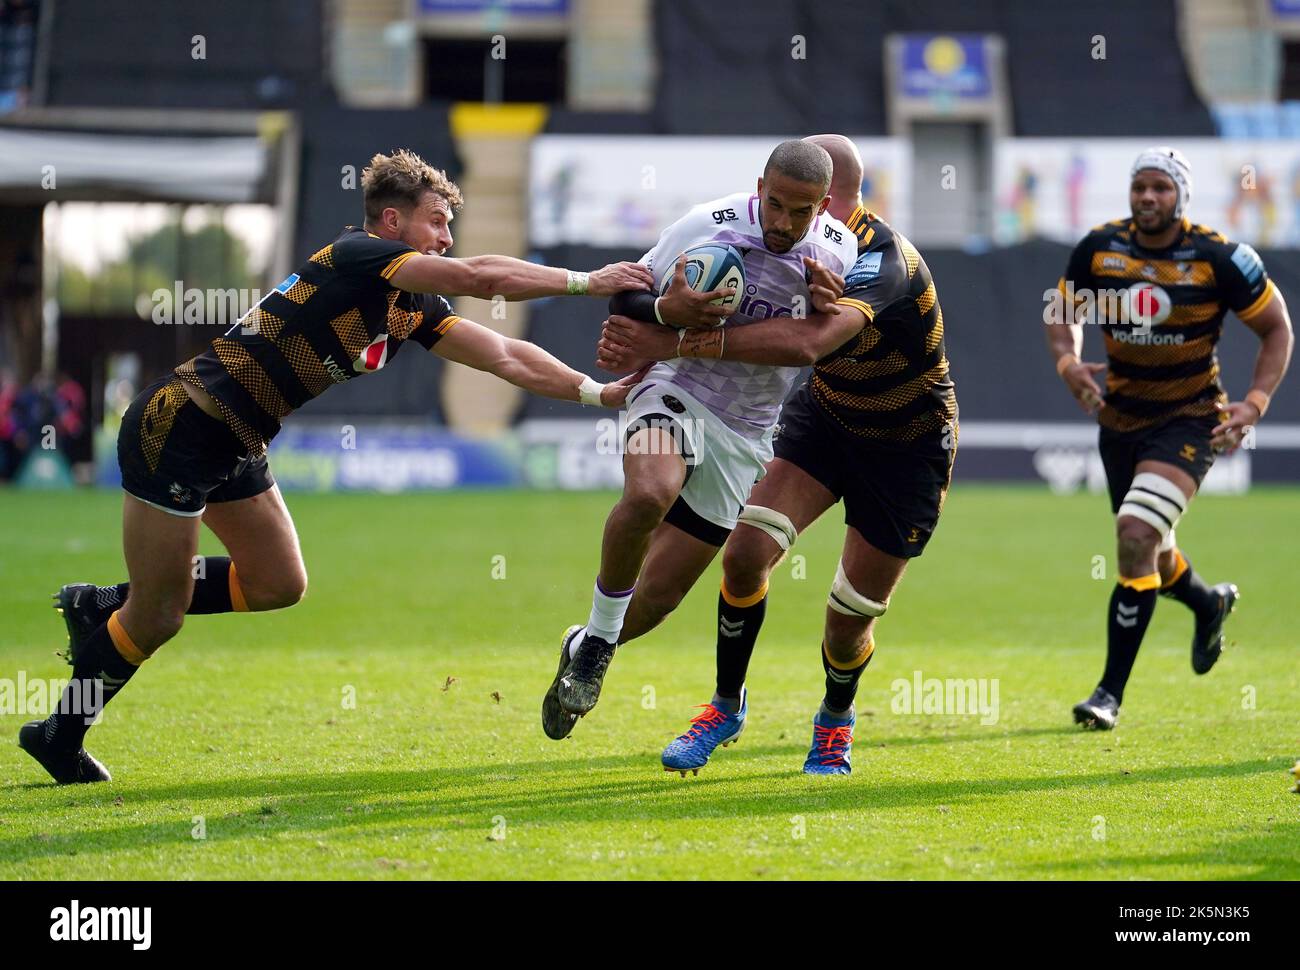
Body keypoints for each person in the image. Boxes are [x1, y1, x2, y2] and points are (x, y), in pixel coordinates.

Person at [20, 148, 652, 784]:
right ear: (390, 222)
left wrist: (597, 394)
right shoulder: (356, 256)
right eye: (436, 221)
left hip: (236, 441)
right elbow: (484, 278)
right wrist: (586, 282)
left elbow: (505, 356)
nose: (447, 236)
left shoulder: (410, 304)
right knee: (160, 615)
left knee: (277, 583)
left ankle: (103, 604)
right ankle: (59, 733)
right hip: (181, 426)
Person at [597, 134, 957, 775]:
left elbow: (810, 343)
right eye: (785, 205)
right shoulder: (761, 237)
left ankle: (834, 721)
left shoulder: (883, 260)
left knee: (848, 619)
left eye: (821, 204)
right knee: (744, 555)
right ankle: (725, 705)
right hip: (825, 421)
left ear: (842, 198)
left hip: (908, 443)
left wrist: (681, 340)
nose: (800, 223)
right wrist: (663, 315)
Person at [540, 140, 857, 743]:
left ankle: (586, 641)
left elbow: (830, 333)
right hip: (675, 387)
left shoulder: (839, 250)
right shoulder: (706, 226)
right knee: (650, 493)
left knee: (658, 599)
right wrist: (667, 305)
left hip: (746, 430)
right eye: (777, 204)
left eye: (803, 211)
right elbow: (628, 294)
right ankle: (596, 651)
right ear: (759, 185)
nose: (786, 223)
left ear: (823, 206)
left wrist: (828, 304)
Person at [1045, 147, 1292, 730]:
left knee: (1132, 536)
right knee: (1152, 553)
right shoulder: (1100, 249)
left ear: (1179, 195)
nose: (1148, 198)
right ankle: (1209, 604)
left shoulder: (1220, 257)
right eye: (1140, 188)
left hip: (1189, 420)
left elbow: (1277, 327)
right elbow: (1061, 310)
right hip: (1120, 420)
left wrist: (1254, 403)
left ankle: (1108, 694)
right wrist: (1067, 362)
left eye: (1160, 188)